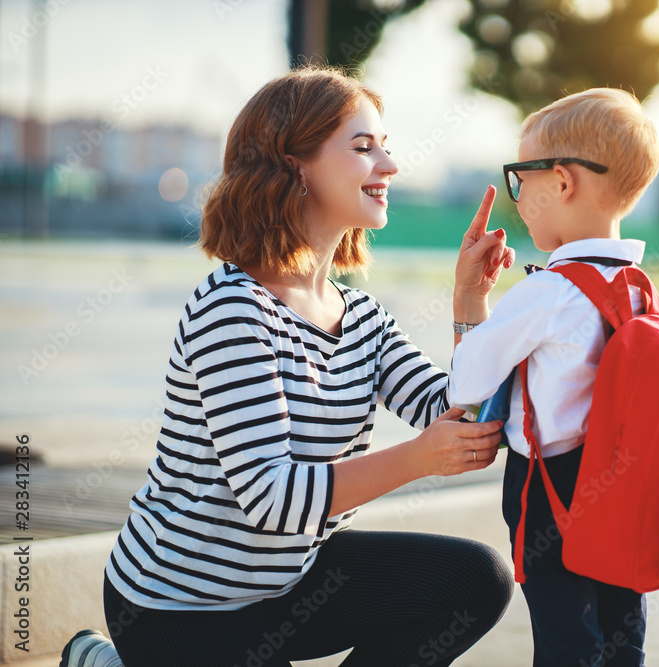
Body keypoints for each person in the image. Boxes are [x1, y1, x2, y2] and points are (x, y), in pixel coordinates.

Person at [60, 64, 517, 667]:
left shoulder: (360, 315)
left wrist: (470, 302)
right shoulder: (233, 309)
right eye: (362, 148)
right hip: (179, 604)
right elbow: (273, 499)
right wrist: (417, 458)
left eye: (385, 146)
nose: (389, 165)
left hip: (288, 586)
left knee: (477, 579)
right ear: (294, 164)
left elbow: (460, 416)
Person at [448, 88, 659, 666]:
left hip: (551, 488)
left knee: (565, 633)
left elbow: (465, 383)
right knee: (621, 624)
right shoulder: (640, 286)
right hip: (622, 480)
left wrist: (470, 299)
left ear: (562, 183)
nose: (516, 195)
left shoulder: (549, 290)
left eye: (521, 179)